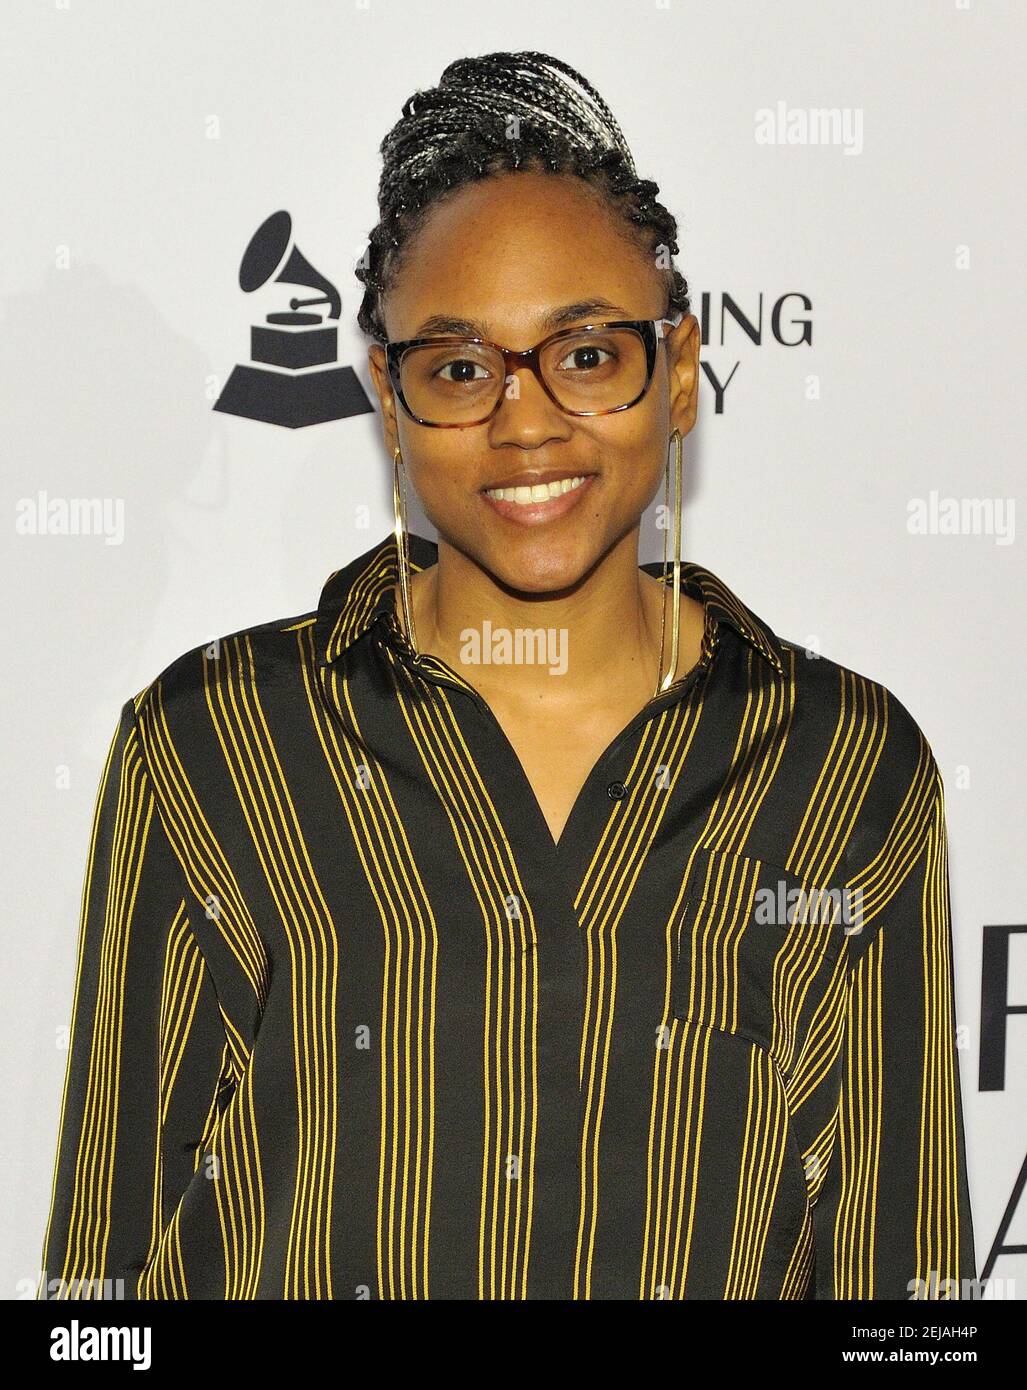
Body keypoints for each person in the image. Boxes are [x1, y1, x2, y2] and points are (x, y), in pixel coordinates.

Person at [39, 49, 975, 1301]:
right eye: (461, 367)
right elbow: (103, 1289)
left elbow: (895, 1290)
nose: (526, 422)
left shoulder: (844, 767)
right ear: (390, 394)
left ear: (682, 369)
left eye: (586, 353)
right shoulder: (214, 743)